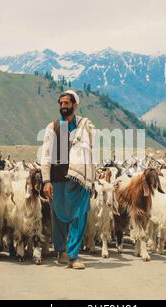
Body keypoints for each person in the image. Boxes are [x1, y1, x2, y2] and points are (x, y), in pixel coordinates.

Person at [40, 90, 96, 269]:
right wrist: (46, 180)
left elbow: (91, 153)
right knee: (58, 216)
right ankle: (61, 252)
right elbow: (46, 154)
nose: (63, 106)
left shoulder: (85, 126)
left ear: (75, 105)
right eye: (61, 103)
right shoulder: (53, 127)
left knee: (79, 216)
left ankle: (73, 256)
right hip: (58, 178)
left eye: (67, 103)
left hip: (79, 180)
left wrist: (92, 179)